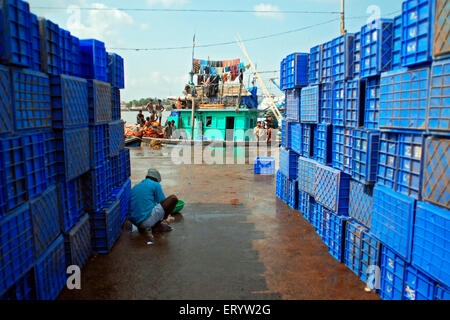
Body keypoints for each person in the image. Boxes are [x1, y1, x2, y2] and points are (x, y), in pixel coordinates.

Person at [129, 169, 179, 233]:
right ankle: (158, 225)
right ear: (156, 179)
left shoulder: (137, 186)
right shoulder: (156, 184)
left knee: (151, 207)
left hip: (135, 223)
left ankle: (150, 225)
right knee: (173, 198)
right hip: (145, 221)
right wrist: (168, 214)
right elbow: (163, 202)